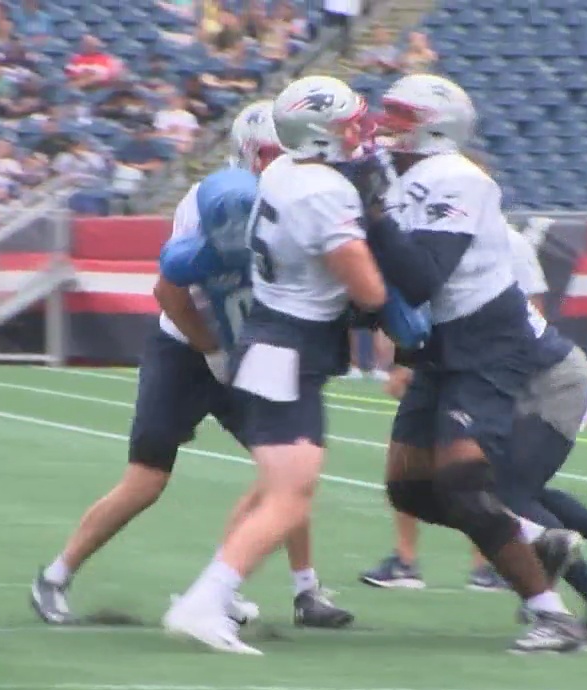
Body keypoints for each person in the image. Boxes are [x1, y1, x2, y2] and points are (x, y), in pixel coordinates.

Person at [32, 101, 353, 633]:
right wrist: (213, 352)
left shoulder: (301, 196)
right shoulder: (216, 201)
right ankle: (55, 575)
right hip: (186, 348)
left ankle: (303, 591)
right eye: (274, 152)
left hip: (251, 345)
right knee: (146, 480)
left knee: (291, 470)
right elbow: (170, 294)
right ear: (251, 153)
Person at [343, 74, 587, 653]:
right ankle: (535, 537)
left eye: (401, 117)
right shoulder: (405, 174)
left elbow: (425, 276)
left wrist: (374, 213)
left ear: (435, 126)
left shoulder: (457, 178)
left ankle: (553, 618)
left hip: (484, 337)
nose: (387, 125)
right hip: (437, 344)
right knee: (409, 489)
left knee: (459, 479)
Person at [162, 77, 391, 655]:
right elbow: (367, 289)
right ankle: (204, 601)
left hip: (273, 341)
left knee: (282, 486)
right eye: (347, 123)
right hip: (289, 345)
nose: (359, 133)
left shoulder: (284, 173)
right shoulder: (319, 188)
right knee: (290, 494)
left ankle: (213, 596)